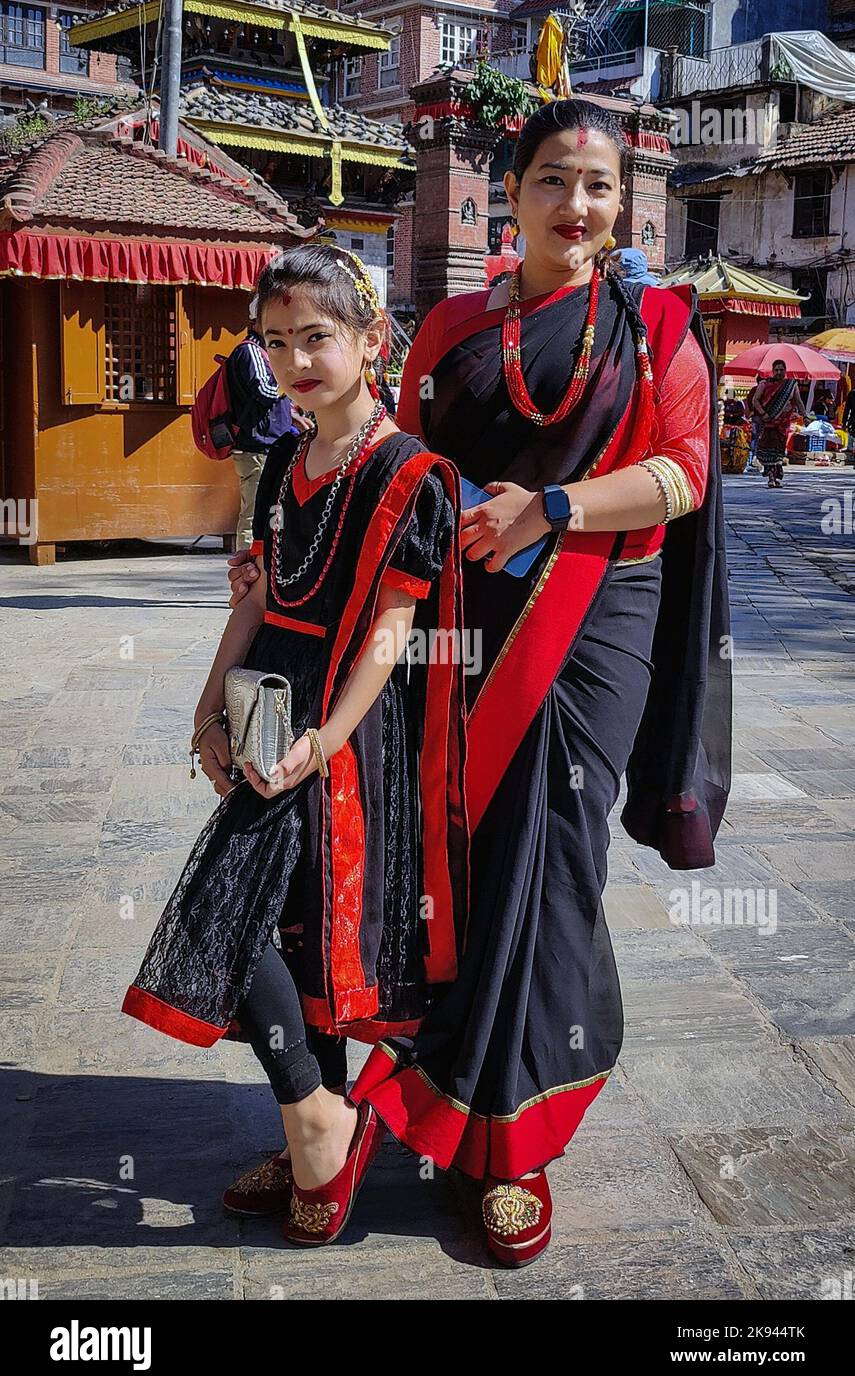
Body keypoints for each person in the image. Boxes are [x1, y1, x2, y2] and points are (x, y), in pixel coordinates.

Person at [229, 97, 731, 1268]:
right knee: (428, 855)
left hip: (594, 613)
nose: (580, 204)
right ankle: (367, 1108)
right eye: (555, 179)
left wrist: (551, 507)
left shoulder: (657, 326)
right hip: (451, 619)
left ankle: (511, 1142)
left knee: (548, 852)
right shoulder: (453, 327)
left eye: (602, 185)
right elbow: (396, 470)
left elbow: (689, 474)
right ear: (511, 190)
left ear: (625, 201)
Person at [120, 245, 468, 1247]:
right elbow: (265, 590)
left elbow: (395, 631)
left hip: (348, 735)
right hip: (271, 699)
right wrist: (204, 705)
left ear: (371, 340)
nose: (295, 361)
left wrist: (326, 741)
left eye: (315, 338)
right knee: (276, 928)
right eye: (276, 344)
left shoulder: (411, 475)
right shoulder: (286, 457)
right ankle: (316, 1116)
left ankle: (318, 1121)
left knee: (245, 916)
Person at [226, 321, 299, 549]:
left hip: (268, 444)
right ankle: (247, 566)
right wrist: (288, 380)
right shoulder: (251, 350)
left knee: (271, 512)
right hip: (257, 446)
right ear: (255, 322)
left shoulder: (261, 351)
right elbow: (265, 391)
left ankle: (267, 561)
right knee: (253, 513)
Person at [753, 359, 806, 487]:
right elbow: (755, 400)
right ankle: (771, 477)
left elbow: (798, 401)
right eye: (776, 370)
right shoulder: (764, 384)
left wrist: (805, 416)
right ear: (772, 371)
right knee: (768, 450)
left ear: (785, 371)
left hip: (783, 424)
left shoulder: (791, 385)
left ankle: (776, 477)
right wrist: (764, 414)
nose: (778, 372)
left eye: (781, 370)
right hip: (769, 422)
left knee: (779, 451)